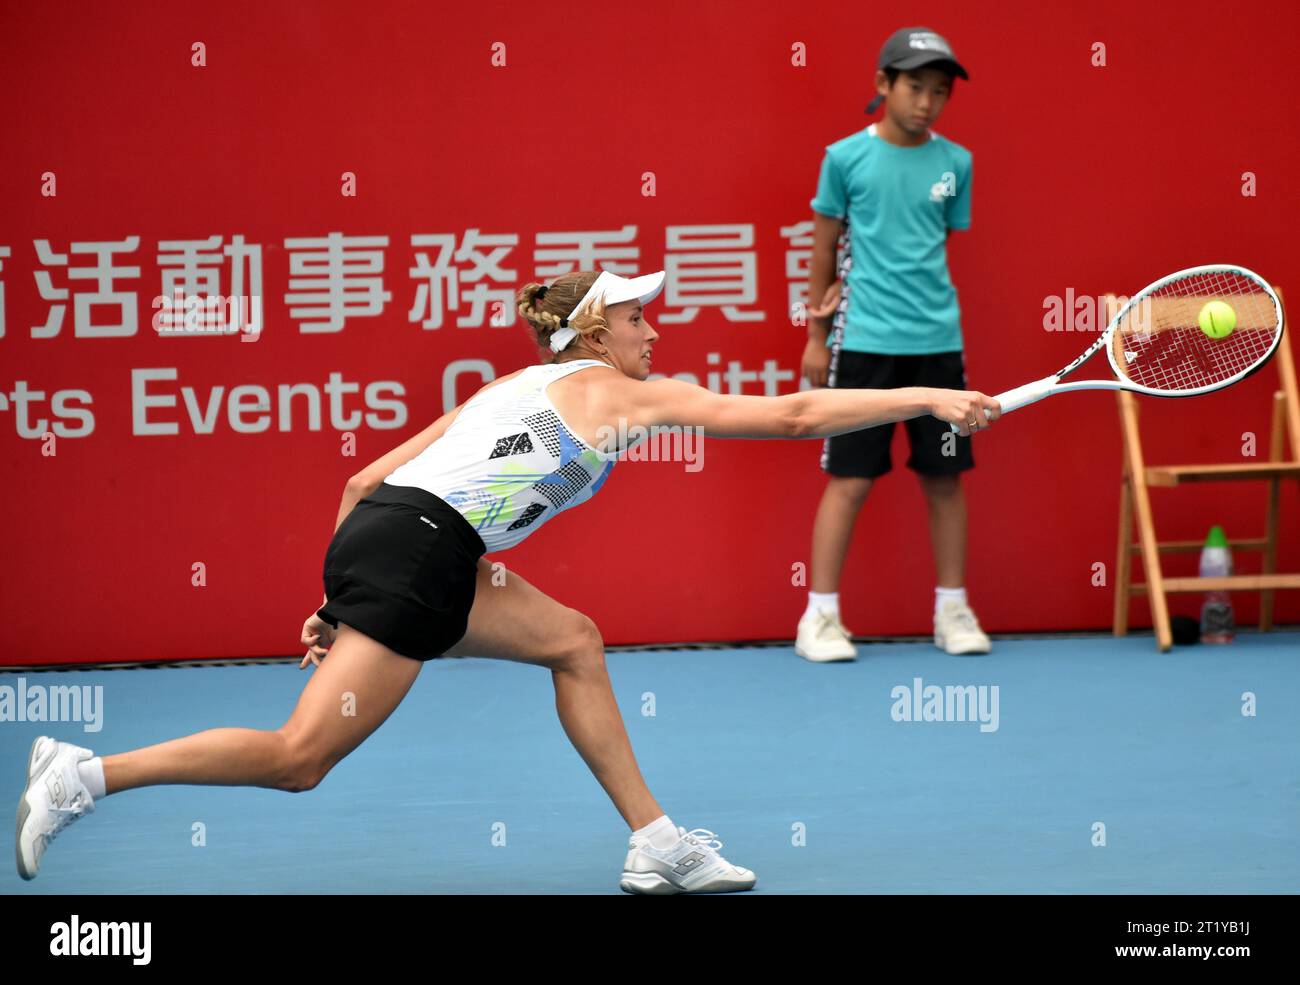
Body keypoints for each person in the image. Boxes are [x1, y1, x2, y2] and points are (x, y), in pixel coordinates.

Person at [16, 269, 999, 894]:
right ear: (592, 336)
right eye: (634, 317)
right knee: (298, 755)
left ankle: (654, 839)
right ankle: (85, 775)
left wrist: (334, 595)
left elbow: (364, 480)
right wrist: (925, 394)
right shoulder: (619, 393)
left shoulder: (506, 387)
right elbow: (790, 417)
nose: (651, 331)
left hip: (396, 536)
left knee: (571, 637)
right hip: (425, 555)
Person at [796, 26, 992, 662]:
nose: (927, 102)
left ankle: (953, 611)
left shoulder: (955, 163)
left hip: (938, 347)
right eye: (915, 87)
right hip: (864, 345)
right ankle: (819, 618)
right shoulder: (844, 158)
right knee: (850, 480)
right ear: (883, 85)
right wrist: (816, 337)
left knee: (945, 480)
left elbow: (932, 246)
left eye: (940, 92)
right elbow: (824, 249)